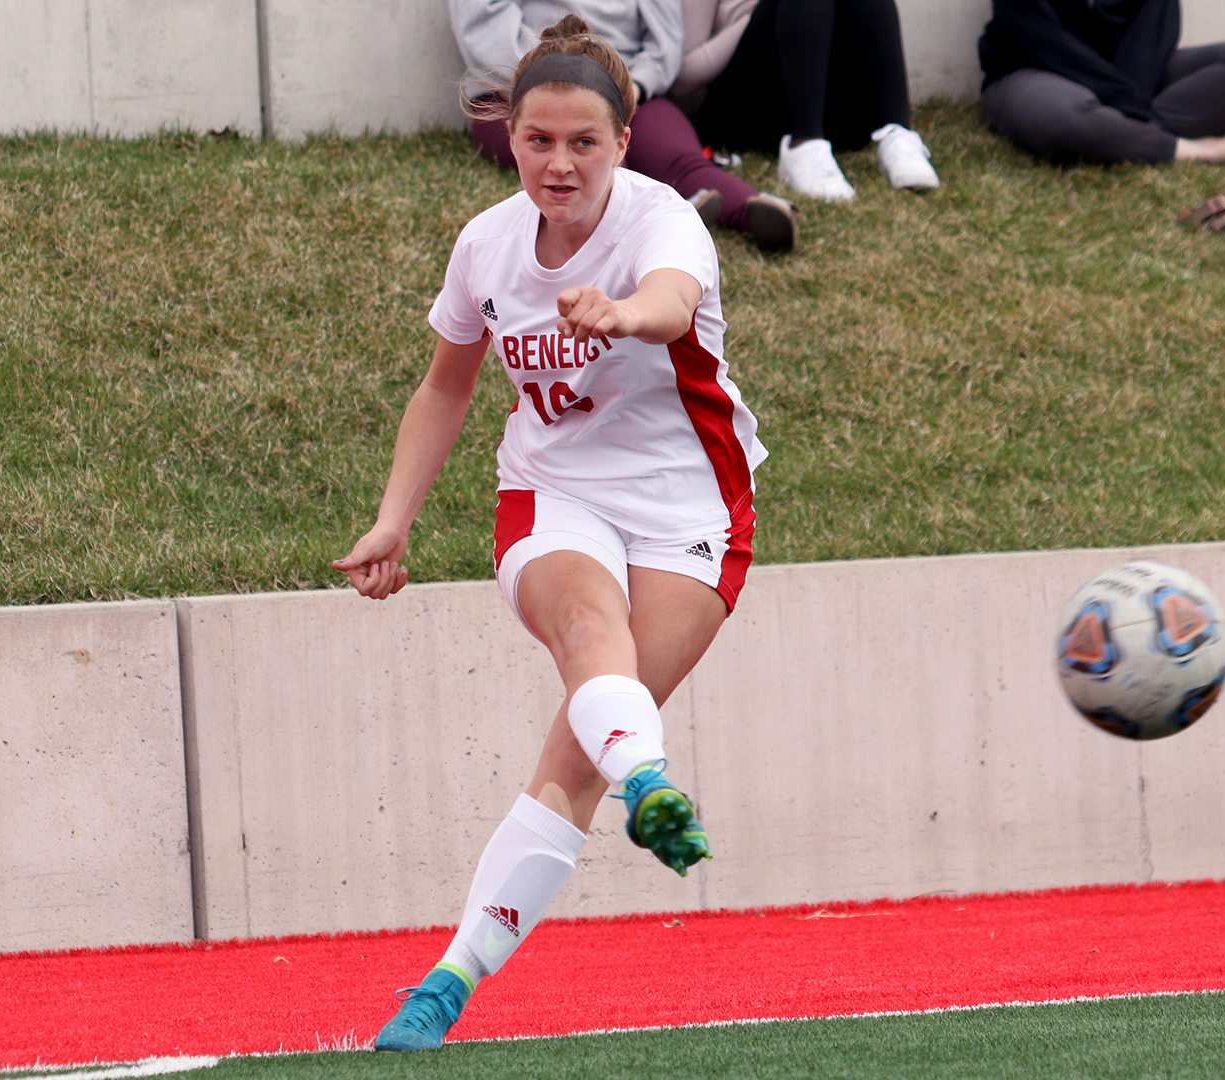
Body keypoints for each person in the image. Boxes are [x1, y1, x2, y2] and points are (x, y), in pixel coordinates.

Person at [335, 15, 766, 1052]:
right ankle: (652, 783)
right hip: (552, 492)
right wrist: (394, 520)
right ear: (508, 135)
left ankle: (450, 979)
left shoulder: (666, 224)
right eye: (538, 141)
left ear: (625, 141)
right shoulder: (486, 244)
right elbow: (445, 389)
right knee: (589, 647)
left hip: (690, 507)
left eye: (584, 143)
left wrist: (620, 316)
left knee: (571, 765)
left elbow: (669, 303)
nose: (559, 163)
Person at [452, 0, 800, 253]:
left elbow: (665, 42)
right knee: (593, 161)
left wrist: (629, 87)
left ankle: (752, 208)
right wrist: (565, 81)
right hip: (520, 95)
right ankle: (659, 226)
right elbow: (485, 32)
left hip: (627, 88)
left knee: (679, 157)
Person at [674, 0, 940, 202]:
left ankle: (896, 133)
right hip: (746, 112)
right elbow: (684, 74)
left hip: (835, 116)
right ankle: (804, 145)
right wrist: (755, 19)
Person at [977, 0, 1225, 165]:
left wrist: (1127, 106)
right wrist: (1120, 96)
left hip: (1133, 81)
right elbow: (1034, 35)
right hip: (1037, 73)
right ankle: (1201, 150)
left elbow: (1155, 28)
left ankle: (1117, 135)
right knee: (1067, 117)